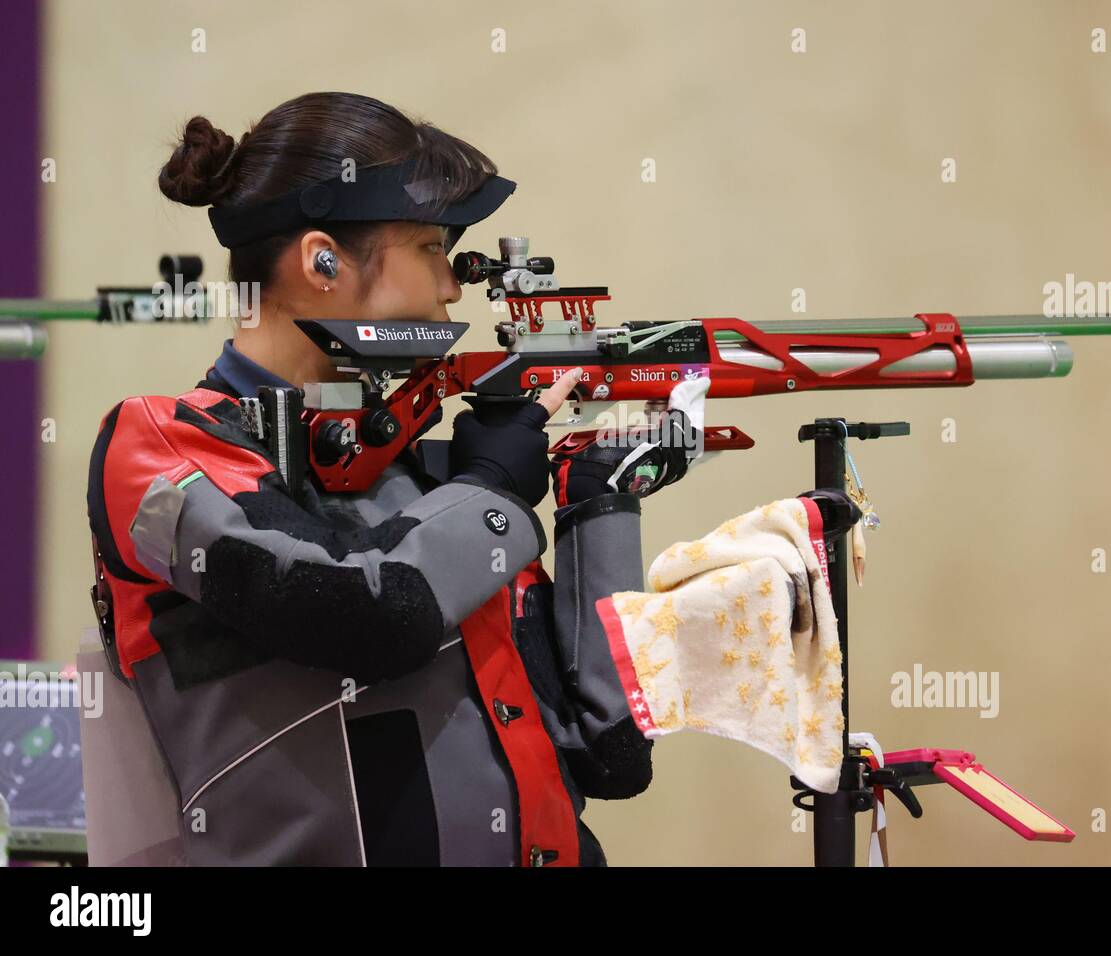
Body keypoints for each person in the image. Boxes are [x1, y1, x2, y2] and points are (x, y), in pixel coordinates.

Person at [84, 91, 676, 866]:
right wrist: (495, 492)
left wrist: (598, 500)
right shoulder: (159, 448)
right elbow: (371, 612)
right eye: (431, 248)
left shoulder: (418, 482)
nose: (453, 288)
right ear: (321, 261)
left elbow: (611, 753)